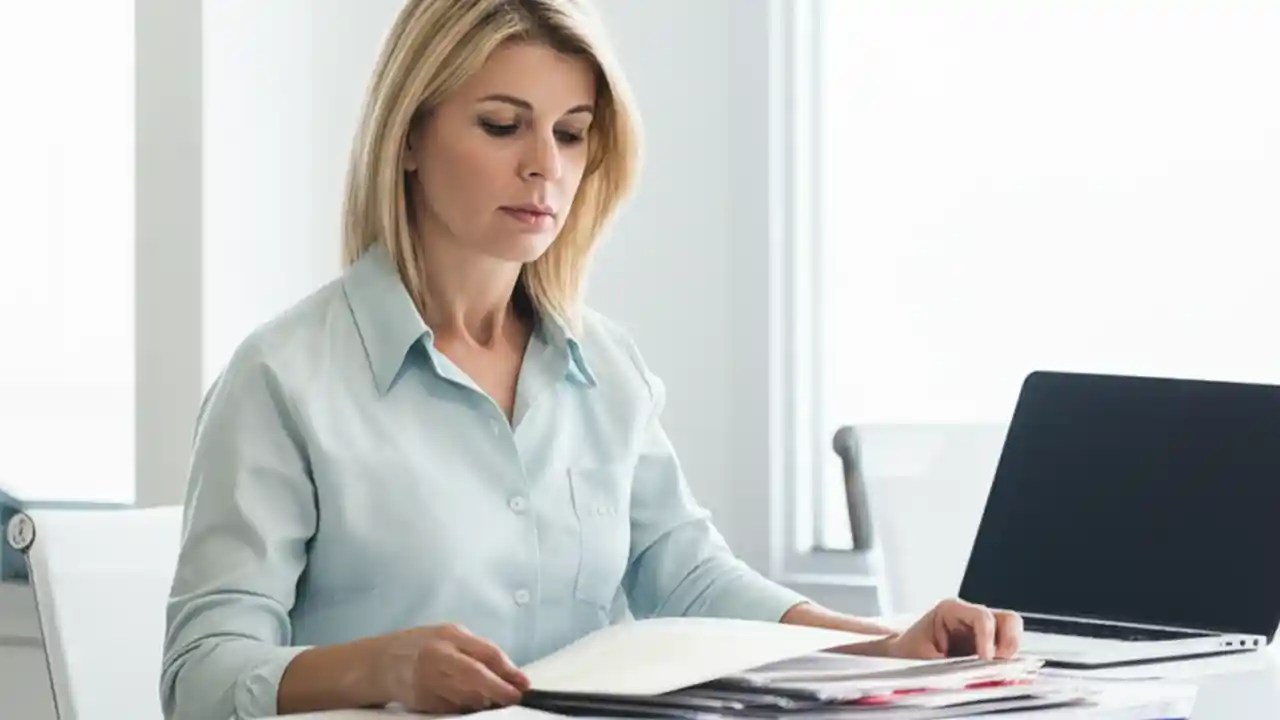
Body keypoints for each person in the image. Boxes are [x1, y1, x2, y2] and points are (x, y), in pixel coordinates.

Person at [160, 1, 1022, 718]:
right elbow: (199, 675)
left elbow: (687, 577)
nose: (544, 167)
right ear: (409, 137)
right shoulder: (282, 379)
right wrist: (378, 671)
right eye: (503, 126)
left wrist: (879, 642)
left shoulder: (604, 365)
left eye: (572, 135)